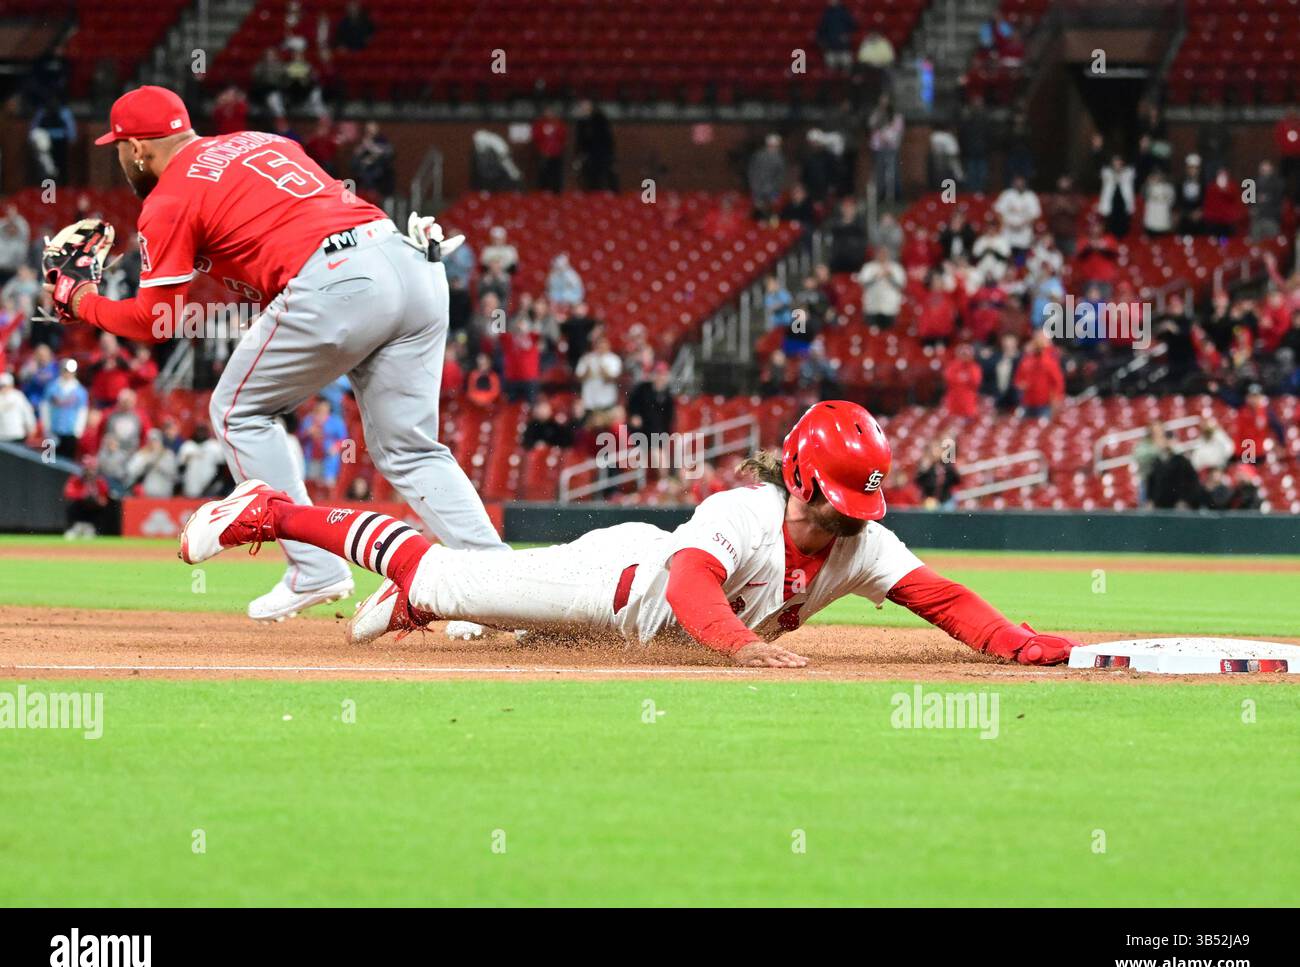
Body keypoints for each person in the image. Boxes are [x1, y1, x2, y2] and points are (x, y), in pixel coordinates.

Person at [48, 85, 507, 623]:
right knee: (410, 449)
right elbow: (277, 231)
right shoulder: (257, 141)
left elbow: (155, 321)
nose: (121, 158)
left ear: (140, 148)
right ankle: (495, 582)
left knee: (237, 411)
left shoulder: (169, 196)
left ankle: (315, 568)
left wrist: (83, 300)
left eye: (120, 148)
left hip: (340, 281)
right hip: (410, 260)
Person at [180, 401, 1078, 669]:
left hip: (625, 615)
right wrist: (737, 648)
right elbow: (691, 583)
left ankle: (423, 604)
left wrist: (1016, 643)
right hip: (612, 581)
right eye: (844, 498)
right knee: (449, 579)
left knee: (503, 626)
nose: (854, 515)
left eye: (863, 502)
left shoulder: (861, 546)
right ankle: (273, 509)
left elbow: (942, 597)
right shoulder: (745, 511)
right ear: (803, 475)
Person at [41, 359, 88, 460]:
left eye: (70, 371)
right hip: (52, 429)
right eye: (65, 370)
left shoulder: (80, 391)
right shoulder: (52, 387)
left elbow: (82, 412)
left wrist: (77, 430)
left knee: (67, 459)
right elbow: (45, 408)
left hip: (70, 431)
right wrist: (46, 426)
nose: (67, 374)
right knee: (48, 459)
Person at [992, 175, 1041, 266]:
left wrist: (1022, 224)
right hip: (1008, 233)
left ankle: (1018, 274)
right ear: (1013, 183)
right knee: (1006, 260)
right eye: (1017, 182)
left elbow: (1035, 215)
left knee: (1020, 263)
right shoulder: (1006, 194)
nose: (1019, 184)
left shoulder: (1031, 196)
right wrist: (1006, 223)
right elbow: (998, 211)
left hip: (1023, 234)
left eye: (1021, 182)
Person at [854, 246, 905, 329]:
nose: (882, 255)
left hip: (890, 309)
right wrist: (875, 276)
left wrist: (890, 276)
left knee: (890, 335)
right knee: (871, 335)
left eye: (885, 253)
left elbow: (900, 285)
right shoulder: (868, 267)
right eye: (880, 253)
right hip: (871, 308)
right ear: (876, 254)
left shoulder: (896, 268)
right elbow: (863, 284)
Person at [575, 336, 622, 415]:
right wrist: (587, 371)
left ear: (608, 345)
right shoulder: (587, 358)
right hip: (589, 402)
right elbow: (578, 378)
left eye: (603, 344)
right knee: (590, 426)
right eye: (598, 344)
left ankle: (624, 428)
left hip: (607, 401)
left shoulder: (614, 359)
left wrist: (602, 368)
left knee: (620, 426)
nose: (601, 346)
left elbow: (612, 379)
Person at [0, 372, 37, 443]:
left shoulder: (18, 396)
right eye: (1, 386)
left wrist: (31, 427)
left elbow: (27, 412)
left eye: (5, 385)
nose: (3, 388)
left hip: (17, 434)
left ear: (11, 385)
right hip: (2, 435)